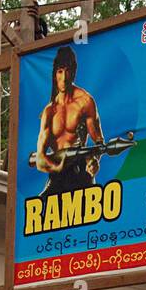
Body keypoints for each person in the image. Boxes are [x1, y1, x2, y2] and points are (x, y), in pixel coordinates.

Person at [34, 43, 104, 197]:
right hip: (57, 176)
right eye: (60, 71)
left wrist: (93, 160)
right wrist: (56, 167)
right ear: (55, 74)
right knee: (36, 213)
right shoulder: (49, 111)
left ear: (73, 72)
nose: (64, 77)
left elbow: (98, 141)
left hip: (80, 172)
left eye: (67, 71)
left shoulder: (85, 101)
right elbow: (40, 158)